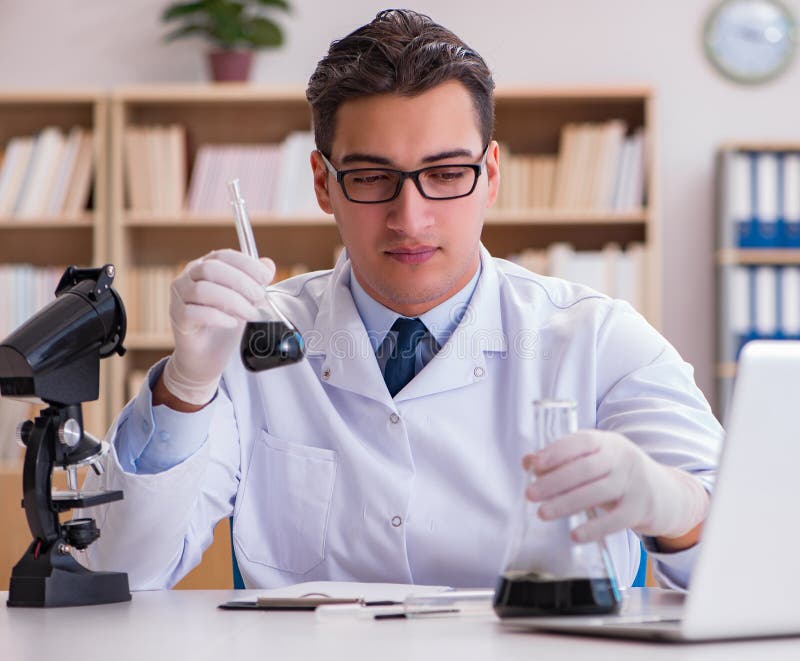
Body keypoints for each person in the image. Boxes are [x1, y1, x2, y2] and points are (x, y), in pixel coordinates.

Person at [83, 9, 721, 591]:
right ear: (323, 185)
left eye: (446, 174)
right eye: (371, 177)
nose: (409, 218)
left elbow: (755, 566)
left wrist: (679, 510)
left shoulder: (600, 340)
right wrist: (186, 390)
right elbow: (119, 574)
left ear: (490, 175)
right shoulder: (253, 346)